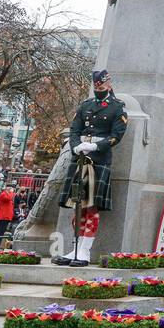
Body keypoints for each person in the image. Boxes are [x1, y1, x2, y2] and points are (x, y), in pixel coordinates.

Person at [54, 68, 129, 266]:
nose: (99, 87)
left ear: (109, 84)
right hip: (80, 157)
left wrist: (96, 146)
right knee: (78, 205)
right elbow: (74, 130)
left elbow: (117, 135)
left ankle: (85, 251)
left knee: (91, 206)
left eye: (102, 84)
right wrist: (76, 146)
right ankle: (75, 248)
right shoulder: (85, 105)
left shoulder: (117, 107)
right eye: (96, 85)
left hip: (99, 158)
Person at [0, 183, 15, 249]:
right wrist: (11, 192)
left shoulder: (7, 194)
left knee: (1, 232)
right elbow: (9, 198)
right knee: (0, 232)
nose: (12, 190)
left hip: (6, 217)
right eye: (11, 188)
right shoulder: (3, 194)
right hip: (3, 217)